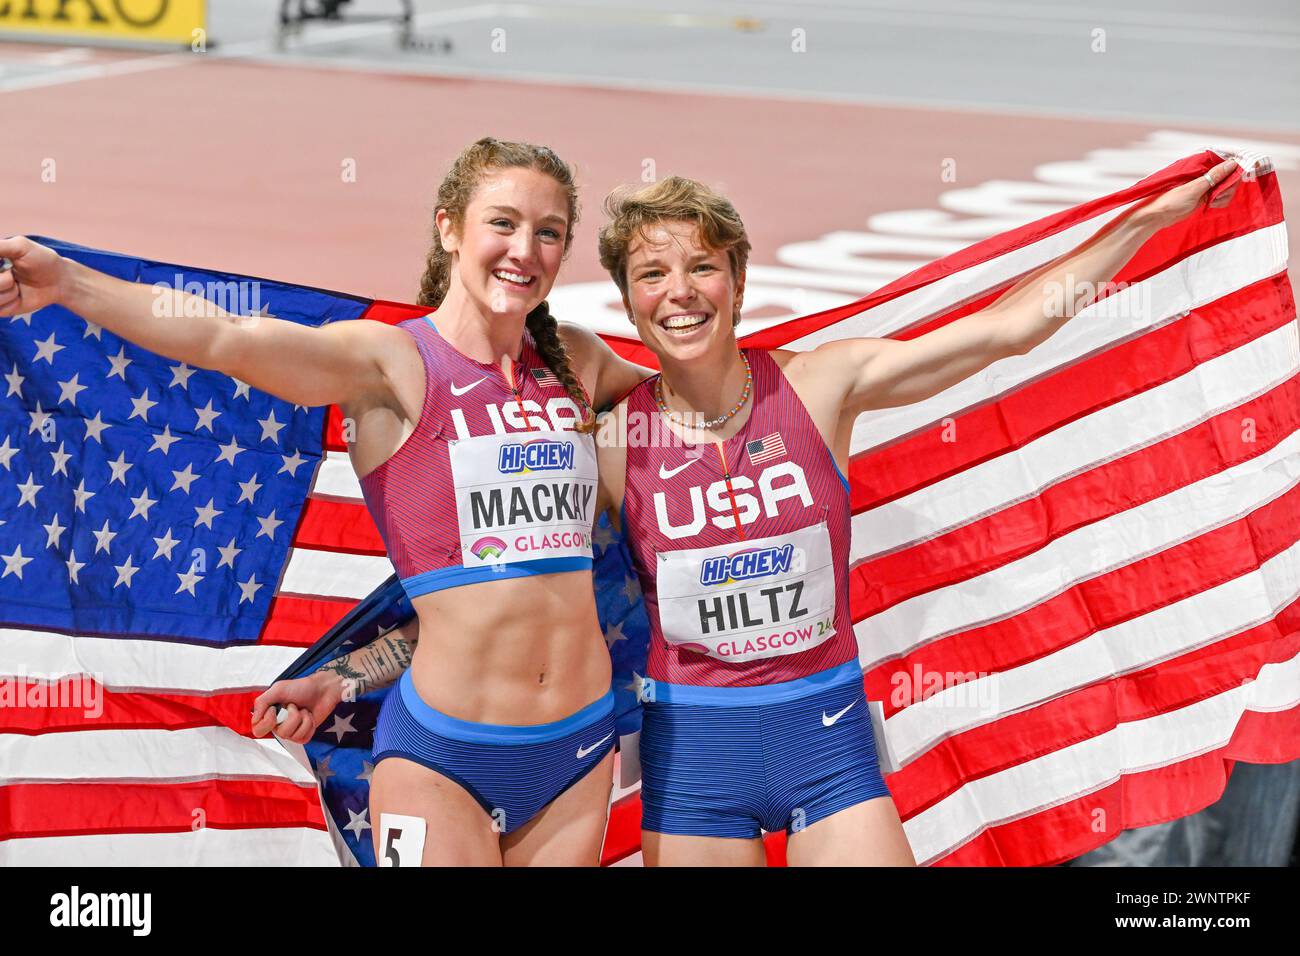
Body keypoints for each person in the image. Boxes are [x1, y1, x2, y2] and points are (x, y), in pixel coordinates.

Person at [0, 136, 648, 866]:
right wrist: (69, 286)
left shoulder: (576, 360)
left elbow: (705, 401)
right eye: (502, 223)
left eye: (548, 232)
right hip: (446, 760)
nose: (523, 249)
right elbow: (226, 337)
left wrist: (346, 675)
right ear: (449, 228)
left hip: (580, 745)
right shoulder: (390, 363)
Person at [589, 160, 1239, 866]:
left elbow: (1009, 331)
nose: (679, 292)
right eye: (651, 275)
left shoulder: (818, 385)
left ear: (739, 282)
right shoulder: (615, 441)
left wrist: (1144, 220)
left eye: (702, 267)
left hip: (825, 747)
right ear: (627, 303)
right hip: (694, 764)